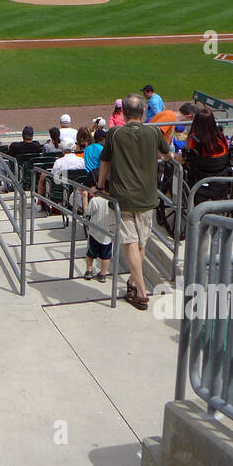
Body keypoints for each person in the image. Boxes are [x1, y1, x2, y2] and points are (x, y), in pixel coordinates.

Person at [94, 94, 169, 310]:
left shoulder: (116, 133)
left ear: (124, 114)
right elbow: (167, 155)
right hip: (146, 197)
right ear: (143, 111)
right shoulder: (154, 131)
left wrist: (99, 186)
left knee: (132, 244)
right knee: (139, 244)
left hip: (124, 198)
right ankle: (134, 284)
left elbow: (105, 162)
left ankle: (141, 291)